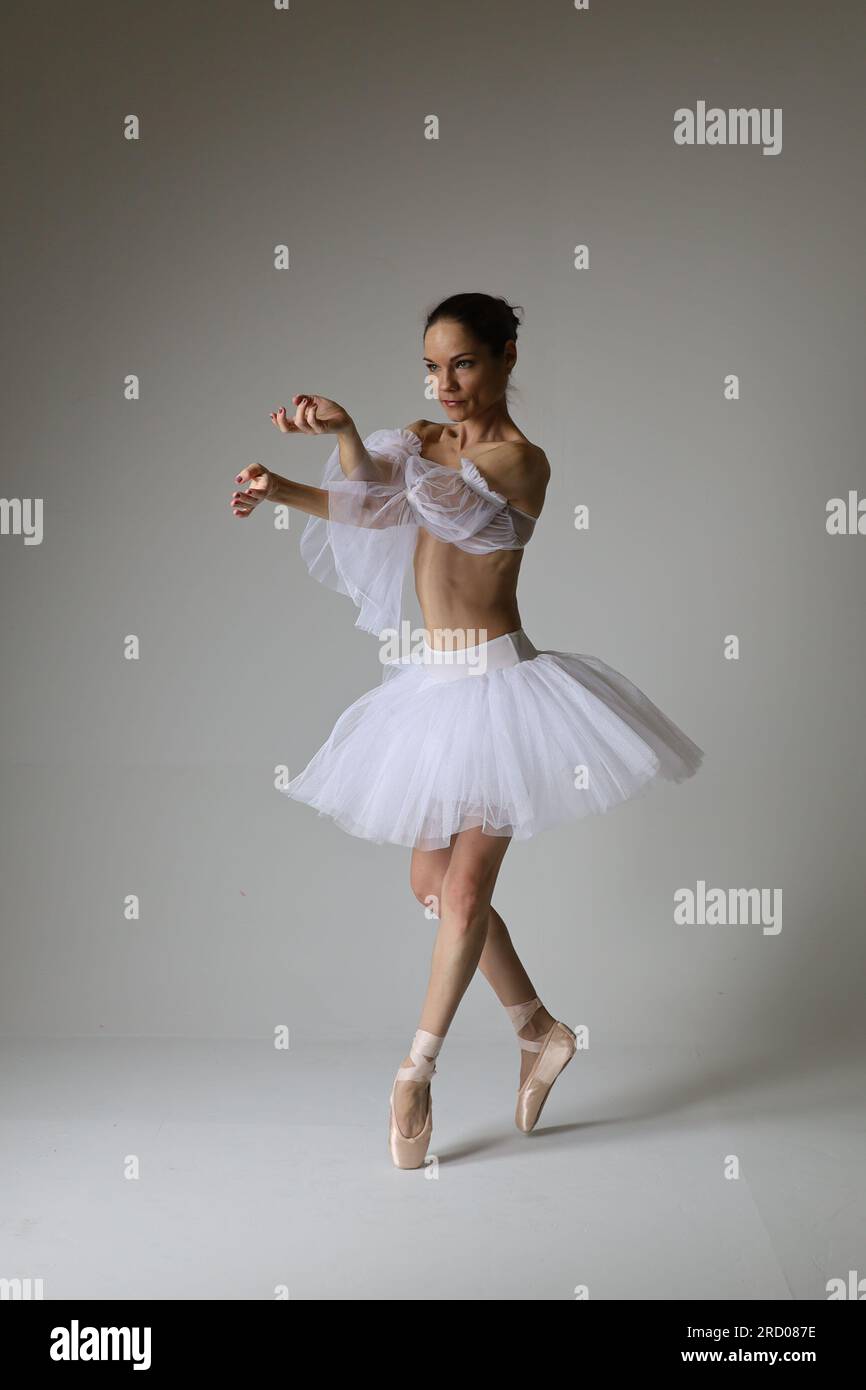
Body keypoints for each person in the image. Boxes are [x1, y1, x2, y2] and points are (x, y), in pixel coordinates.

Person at [231, 292, 703, 1169]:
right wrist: (288, 482)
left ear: (507, 358)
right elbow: (373, 510)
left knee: (463, 892)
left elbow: (439, 507)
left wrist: (361, 437)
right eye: (432, 367)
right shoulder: (421, 440)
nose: (445, 385)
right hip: (432, 691)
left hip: (502, 693)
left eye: (464, 364)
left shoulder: (522, 462)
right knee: (431, 886)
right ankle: (539, 1029)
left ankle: (416, 1074)